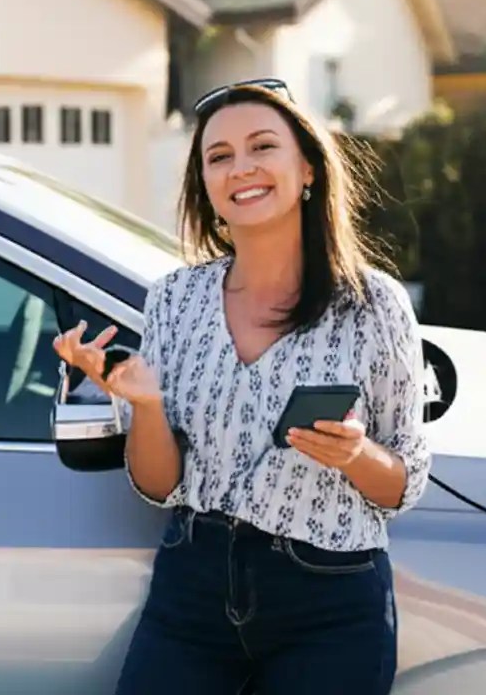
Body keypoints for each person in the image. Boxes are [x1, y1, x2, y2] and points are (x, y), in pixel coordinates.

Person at [52, 79, 431, 695]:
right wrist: (143, 403)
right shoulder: (176, 299)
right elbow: (160, 485)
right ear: (205, 184)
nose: (242, 169)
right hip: (193, 589)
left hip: (328, 600)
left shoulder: (373, 304)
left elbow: (404, 482)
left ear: (306, 167)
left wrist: (354, 454)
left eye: (262, 147)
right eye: (219, 157)